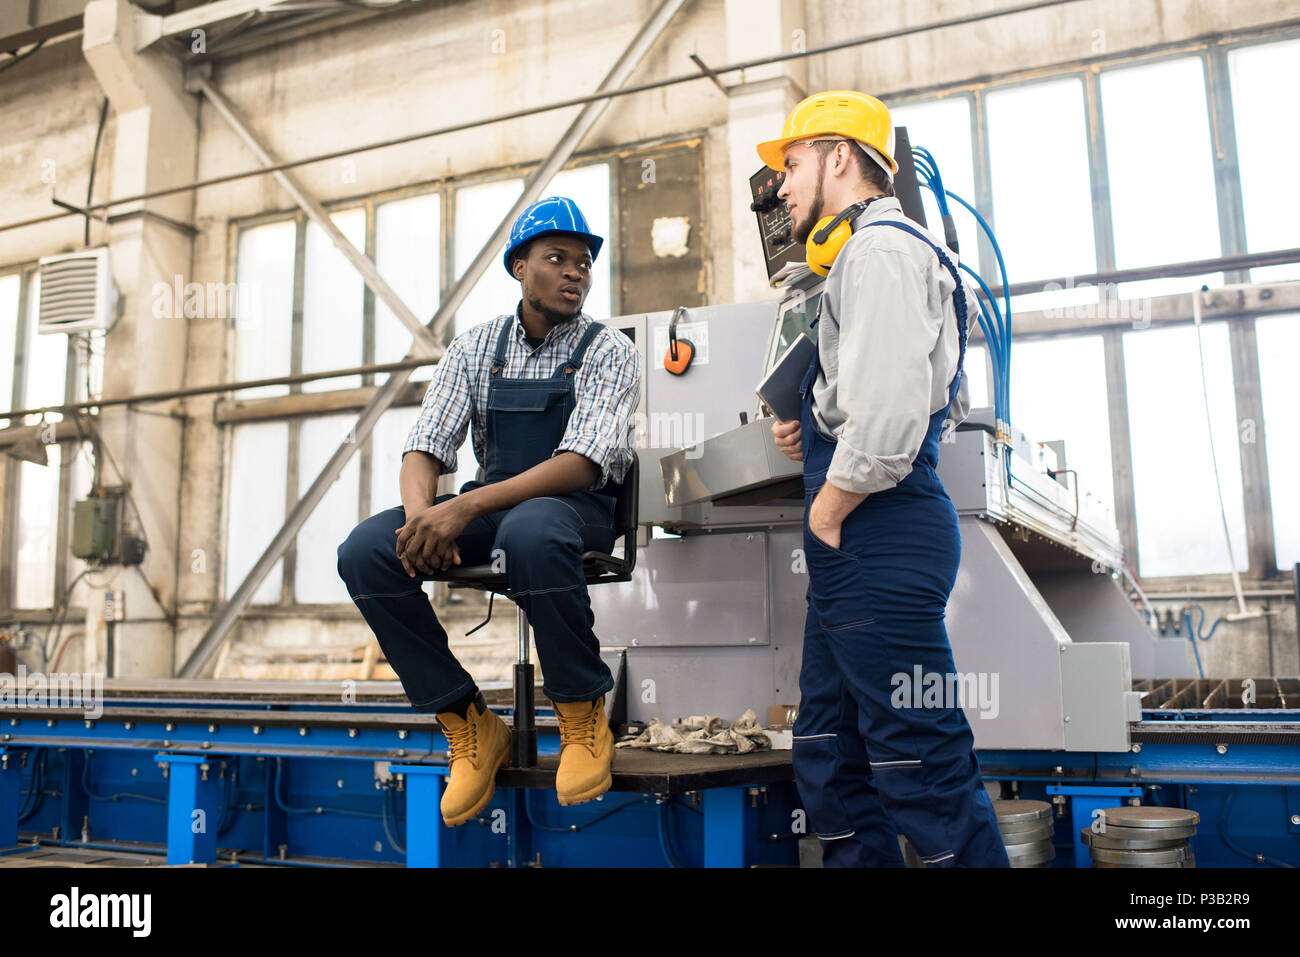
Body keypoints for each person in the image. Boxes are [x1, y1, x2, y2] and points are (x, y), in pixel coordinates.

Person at [756, 91, 1010, 867]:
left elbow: (898, 416)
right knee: (830, 753)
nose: (780, 187)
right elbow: (919, 388)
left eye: (792, 164)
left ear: (840, 157)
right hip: (857, 535)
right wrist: (816, 409)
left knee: (918, 763)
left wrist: (831, 507)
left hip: (878, 526)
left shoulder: (886, 250)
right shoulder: (856, 260)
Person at [337, 196, 640, 827]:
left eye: (583, 262)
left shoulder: (609, 350)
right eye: (556, 258)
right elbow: (425, 446)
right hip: (494, 505)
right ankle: (468, 721)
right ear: (518, 268)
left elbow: (582, 462)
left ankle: (583, 716)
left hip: (573, 508)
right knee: (367, 550)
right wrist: (423, 520)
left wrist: (462, 509)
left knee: (532, 530)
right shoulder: (475, 348)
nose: (574, 272)